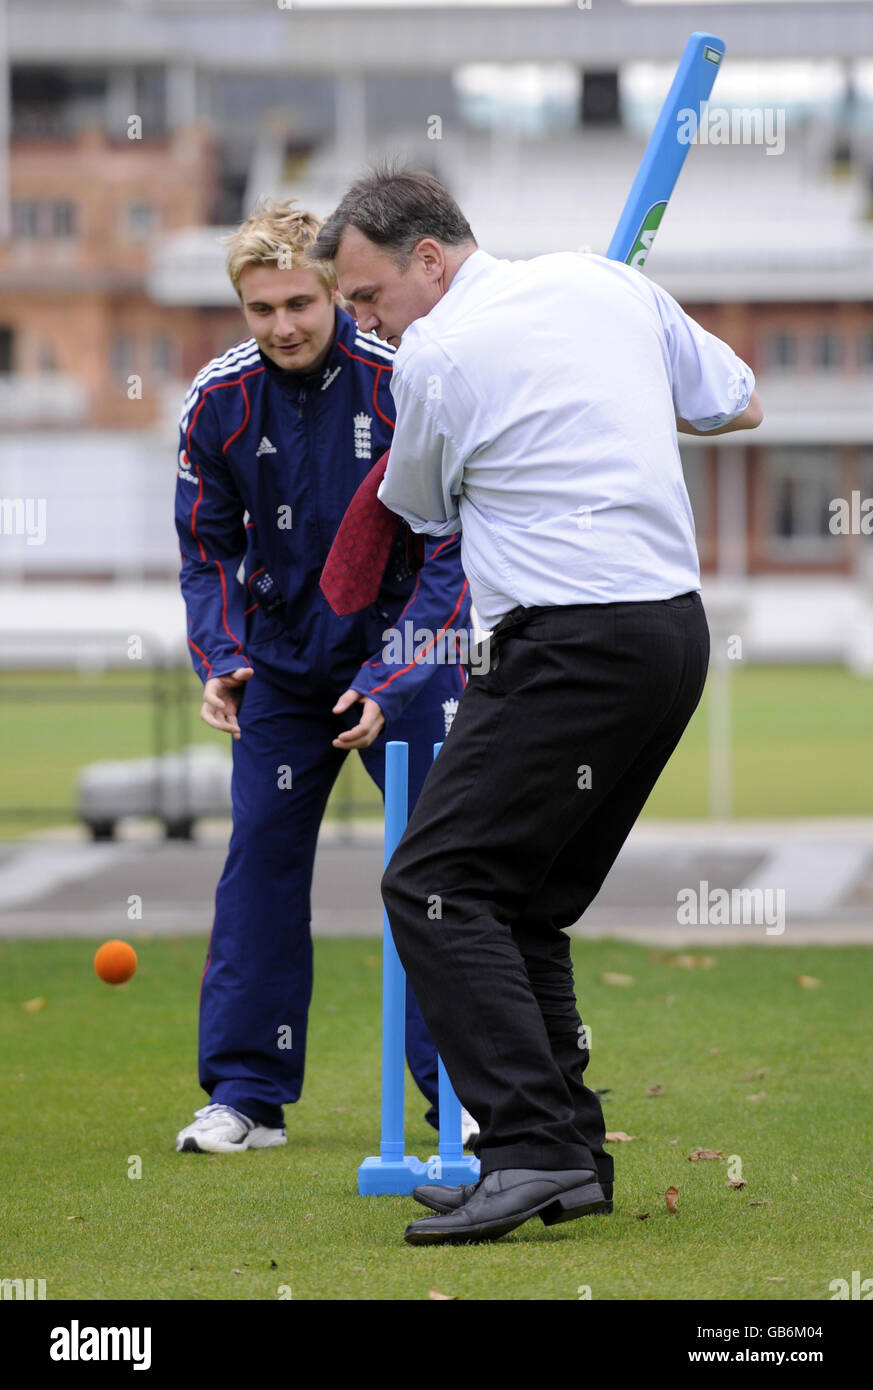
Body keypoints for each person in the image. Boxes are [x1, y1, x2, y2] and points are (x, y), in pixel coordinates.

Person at [311, 167, 763, 1244]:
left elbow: (417, 504)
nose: (361, 322)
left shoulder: (437, 354)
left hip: (564, 641)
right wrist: (601, 397)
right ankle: (569, 1153)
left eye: (366, 298)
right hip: (669, 636)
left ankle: (527, 1149)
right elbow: (738, 399)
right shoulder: (604, 285)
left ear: (430, 260)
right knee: (520, 903)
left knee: (430, 884)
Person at [173, 199, 472, 1154]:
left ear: (336, 291)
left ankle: (462, 1107)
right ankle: (247, 1098)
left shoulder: (404, 380)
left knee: (438, 880)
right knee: (257, 864)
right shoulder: (216, 403)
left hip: (407, 672)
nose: (283, 326)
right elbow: (206, 552)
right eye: (261, 310)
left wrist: (393, 678)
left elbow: (453, 552)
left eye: (300, 302)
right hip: (281, 677)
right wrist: (221, 659)